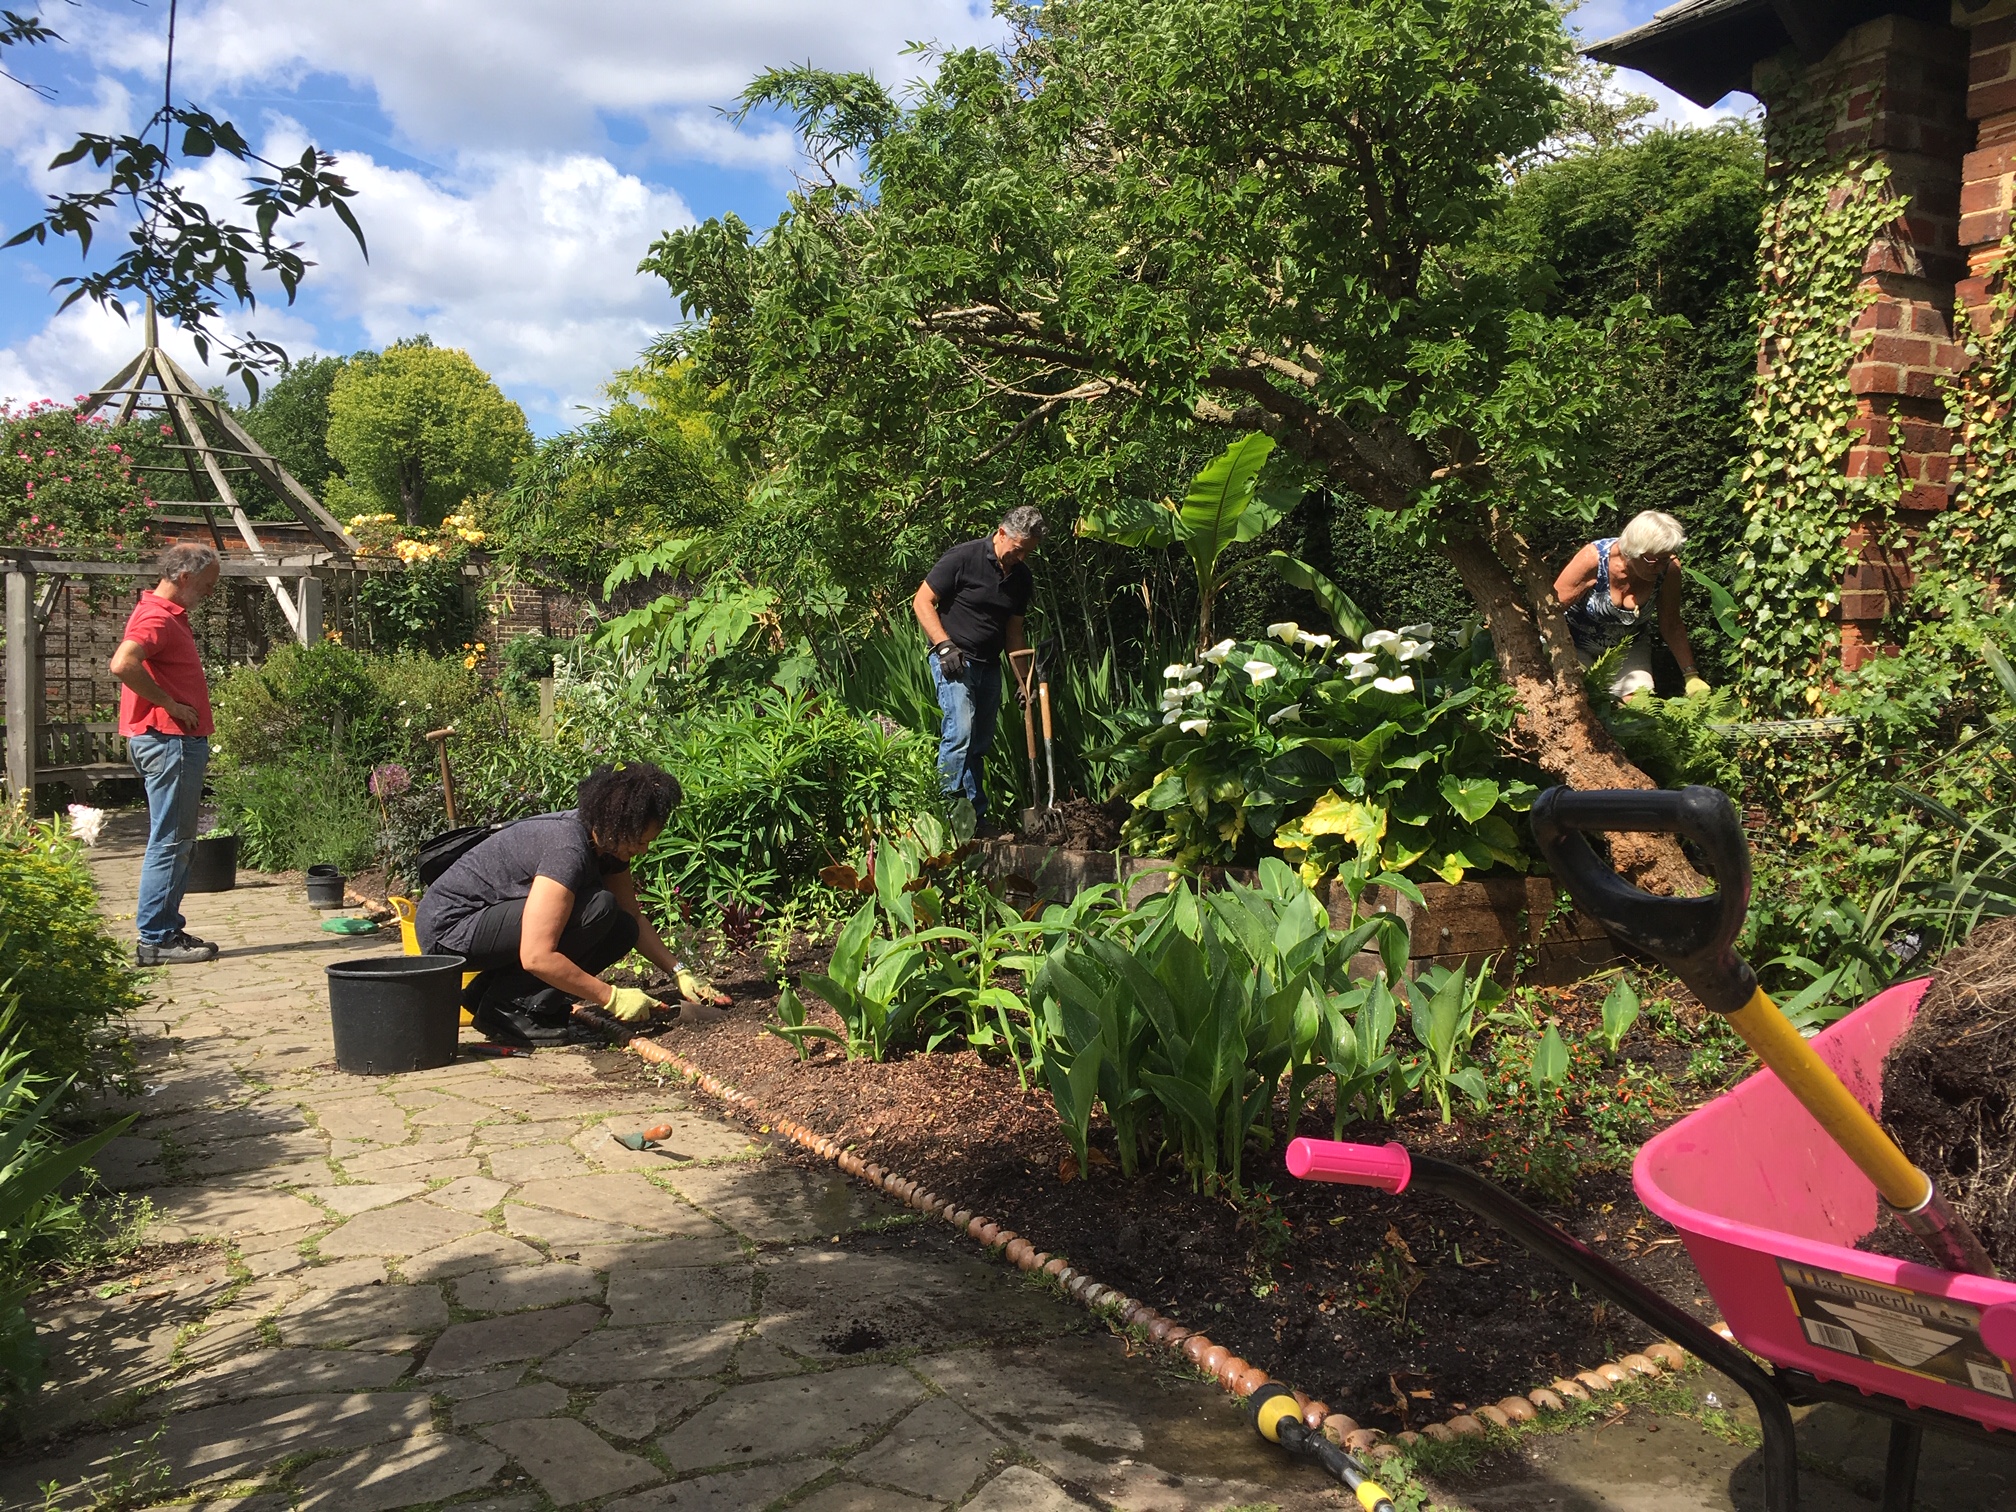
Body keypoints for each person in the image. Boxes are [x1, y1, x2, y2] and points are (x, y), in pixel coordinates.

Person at [416, 761, 726, 1046]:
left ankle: (489, 995)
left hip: (487, 923)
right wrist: (611, 997)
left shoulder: (609, 844)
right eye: (639, 841)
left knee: (622, 926)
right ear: (617, 826)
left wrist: (679, 971)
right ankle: (507, 1010)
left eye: (648, 842)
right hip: (450, 930)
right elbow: (536, 955)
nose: (643, 851)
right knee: (597, 909)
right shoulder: (567, 847)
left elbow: (632, 914)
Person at [110, 542, 223, 966]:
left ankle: (167, 929)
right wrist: (170, 705)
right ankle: (155, 938)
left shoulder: (170, 615)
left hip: (173, 741)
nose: (210, 593)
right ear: (185, 577)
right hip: (168, 739)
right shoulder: (156, 616)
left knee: (179, 841)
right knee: (171, 841)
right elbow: (122, 664)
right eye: (208, 585)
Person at [911, 506, 1044, 829]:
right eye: (1018, 549)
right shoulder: (963, 558)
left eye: (1028, 552)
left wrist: (1023, 681)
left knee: (979, 743)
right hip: (955, 659)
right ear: (1001, 534)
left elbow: (1014, 632)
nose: (1021, 557)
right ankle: (944, 816)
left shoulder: (1020, 578)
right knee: (960, 733)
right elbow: (922, 601)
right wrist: (944, 646)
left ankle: (974, 816)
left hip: (990, 665)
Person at [1554, 510, 1709, 702]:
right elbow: (1551, 609)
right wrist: (1553, 646)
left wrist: (1691, 675)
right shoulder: (1594, 559)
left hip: (1629, 646)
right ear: (1632, 551)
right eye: (1653, 560)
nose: (1659, 567)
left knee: (1639, 710)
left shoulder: (1669, 569)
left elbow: (1671, 623)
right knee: (1580, 703)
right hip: (1575, 642)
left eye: (1665, 558)